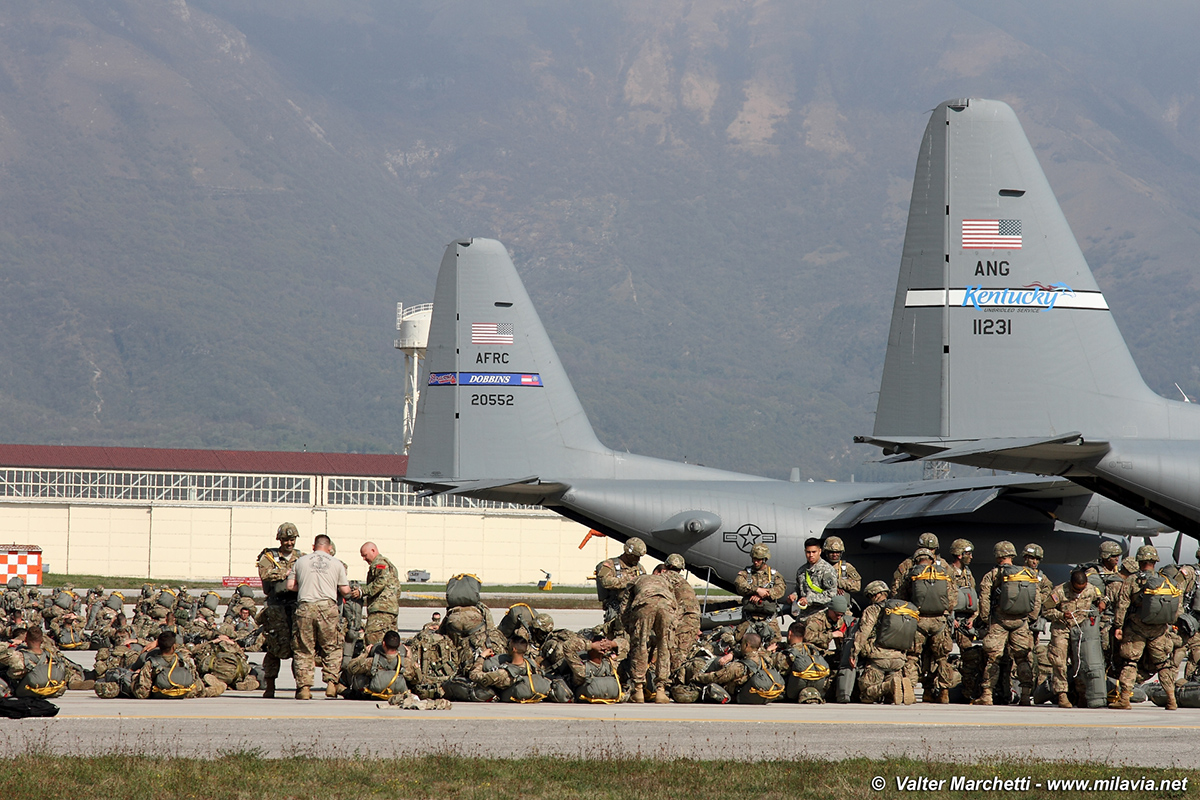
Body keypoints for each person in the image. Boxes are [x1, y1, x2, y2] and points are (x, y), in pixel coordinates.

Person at [1110, 545, 1181, 710]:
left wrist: (1118, 626)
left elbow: (1122, 605)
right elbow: (1176, 607)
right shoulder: (1165, 580)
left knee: (1130, 662)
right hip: (1159, 630)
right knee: (1163, 664)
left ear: (1139, 561)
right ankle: (1171, 699)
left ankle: (1124, 700)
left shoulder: (1132, 580)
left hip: (1137, 628)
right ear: (1155, 561)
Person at [974, 541, 1041, 706]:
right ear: (1011, 555)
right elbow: (1037, 599)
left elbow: (984, 598)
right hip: (1021, 622)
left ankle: (987, 696)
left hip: (1000, 621)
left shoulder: (993, 574)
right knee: (1023, 659)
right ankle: (1025, 696)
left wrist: (984, 618)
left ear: (998, 556)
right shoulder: (1026, 573)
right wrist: (1030, 618)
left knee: (993, 659)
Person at [286, 533, 352, 700]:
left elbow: (290, 586)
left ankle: (304, 688)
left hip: (305, 607)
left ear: (314, 547)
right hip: (327, 608)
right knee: (332, 647)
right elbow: (345, 590)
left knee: (303, 649)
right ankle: (331, 684)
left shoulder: (300, 562)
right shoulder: (337, 564)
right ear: (329, 548)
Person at [896, 548, 955, 703]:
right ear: (931, 559)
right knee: (942, 658)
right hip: (939, 622)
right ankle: (944, 692)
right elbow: (953, 599)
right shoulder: (942, 574)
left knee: (912, 657)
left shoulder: (913, 575)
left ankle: (910, 689)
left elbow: (902, 597)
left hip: (918, 621)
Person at [1043, 568, 1105, 708]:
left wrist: (1102, 602)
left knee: (1081, 662)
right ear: (1071, 585)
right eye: (1076, 590)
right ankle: (1062, 695)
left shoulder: (1091, 589)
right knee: (1059, 662)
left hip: (1081, 630)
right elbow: (1046, 610)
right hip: (1062, 629)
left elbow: (1102, 597)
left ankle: (1081, 694)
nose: (1079, 593)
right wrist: (1061, 615)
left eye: (1081, 589)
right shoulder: (1059, 592)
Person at [257, 522, 303, 698]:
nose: (289, 543)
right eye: (285, 540)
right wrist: (288, 573)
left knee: (298, 648)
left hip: (295, 607)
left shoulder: (301, 557)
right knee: (273, 647)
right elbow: (265, 574)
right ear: (279, 540)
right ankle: (270, 686)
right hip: (276, 608)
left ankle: (301, 686)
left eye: (292, 540)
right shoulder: (269, 557)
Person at [852, 580, 917, 705]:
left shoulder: (873, 610)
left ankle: (889, 686)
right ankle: (899, 687)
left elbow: (863, 633)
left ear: (875, 595)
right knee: (890, 698)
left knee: (866, 695)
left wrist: (853, 653)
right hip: (899, 659)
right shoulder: (901, 610)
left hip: (878, 658)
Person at [623, 570, 677, 703]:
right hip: (666, 605)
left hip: (644, 603)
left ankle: (639, 690)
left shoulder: (635, 580)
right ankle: (661, 691)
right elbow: (674, 602)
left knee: (640, 644)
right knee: (664, 646)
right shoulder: (665, 582)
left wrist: (629, 627)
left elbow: (624, 606)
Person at [132, 631, 224, 699]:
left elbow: (142, 694)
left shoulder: (151, 663)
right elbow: (198, 686)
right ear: (173, 647)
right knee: (211, 689)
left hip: (160, 694)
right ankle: (221, 686)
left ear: (159, 646)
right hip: (185, 693)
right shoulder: (184, 660)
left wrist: (135, 676)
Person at [343, 630, 418, 701]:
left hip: (373, 694)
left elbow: (350, 668)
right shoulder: (406, 663)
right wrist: (410, 658)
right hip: (398, 694)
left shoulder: (371, 662)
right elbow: (418, 679)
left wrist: (364, 654)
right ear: (399, 645)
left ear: (383, 644)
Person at [734, 544, 787, 641]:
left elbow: (781, 589)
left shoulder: (774, 575)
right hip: (748, 619)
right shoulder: (746, 573)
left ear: (765, 559)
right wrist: (757, 590)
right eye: (754, 559)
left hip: (769, 619)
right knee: (740, 643)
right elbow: (739, 585)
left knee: (774, 644)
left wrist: (764, 595)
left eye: (759, 559)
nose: (756, 562)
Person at [595, 538, 647, 635]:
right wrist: (629, 582)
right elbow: (605, 582)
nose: (637, 559)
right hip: (616, 610)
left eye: (639, 557)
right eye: (635, 556)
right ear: (627, 553)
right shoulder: (609, 565)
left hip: (634, 609)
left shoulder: (639, 568)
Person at [353, 542, 401, 645]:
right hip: (390, 610)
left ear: (373, 551)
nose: (364, 559)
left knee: (373, 641)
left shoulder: (380, 564)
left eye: (365, 555)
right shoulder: (388, 564)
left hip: (381, 611)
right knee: (390, 644)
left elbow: (381, 581)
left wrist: (362, 591)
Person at [662, 554, 701, 671]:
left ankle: (675, 681)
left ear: (666, 565)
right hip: (693, 620)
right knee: (684, 652)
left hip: (684, 620)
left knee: (677, 654)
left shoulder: (667, 577)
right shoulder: (683, 581)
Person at [788, 538, 837, 620]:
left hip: (821, 614)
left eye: (814, 552)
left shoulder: (827, 570)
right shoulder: (801, 571)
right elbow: (798, 589)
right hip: (803, 615)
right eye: (808, 552)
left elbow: (831, 594)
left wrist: (809, 599)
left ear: (820, 551)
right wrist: (794, 596)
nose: (811, 555)